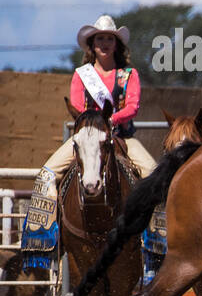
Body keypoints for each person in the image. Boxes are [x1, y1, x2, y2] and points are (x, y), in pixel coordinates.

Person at [21, 15, 157, 268]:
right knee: (47, 174)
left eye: (109, 39)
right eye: (100, 39)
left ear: (117, 45)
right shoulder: (81, 75)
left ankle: (156, 243)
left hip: (121, 136)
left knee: (153, 173)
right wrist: (93, 126)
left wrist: (110, 120)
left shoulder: (129, 74)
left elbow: (133, 106)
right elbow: (75, 106)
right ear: (92, 45)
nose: (105, 43)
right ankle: (44, 241)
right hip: (84, 138)